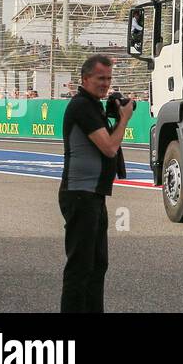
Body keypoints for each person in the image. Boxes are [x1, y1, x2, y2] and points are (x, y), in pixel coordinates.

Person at [60, 54, 132, 313]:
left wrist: (114, 114)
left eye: (109, 79)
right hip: (80, 194)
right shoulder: (81, 106)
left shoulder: (94, 105)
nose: (105, 83)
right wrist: (124, 119)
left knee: (98, 264)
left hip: (93, 195)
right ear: (85, 78)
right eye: (100, 78)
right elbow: (110, 147)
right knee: (80, 266)